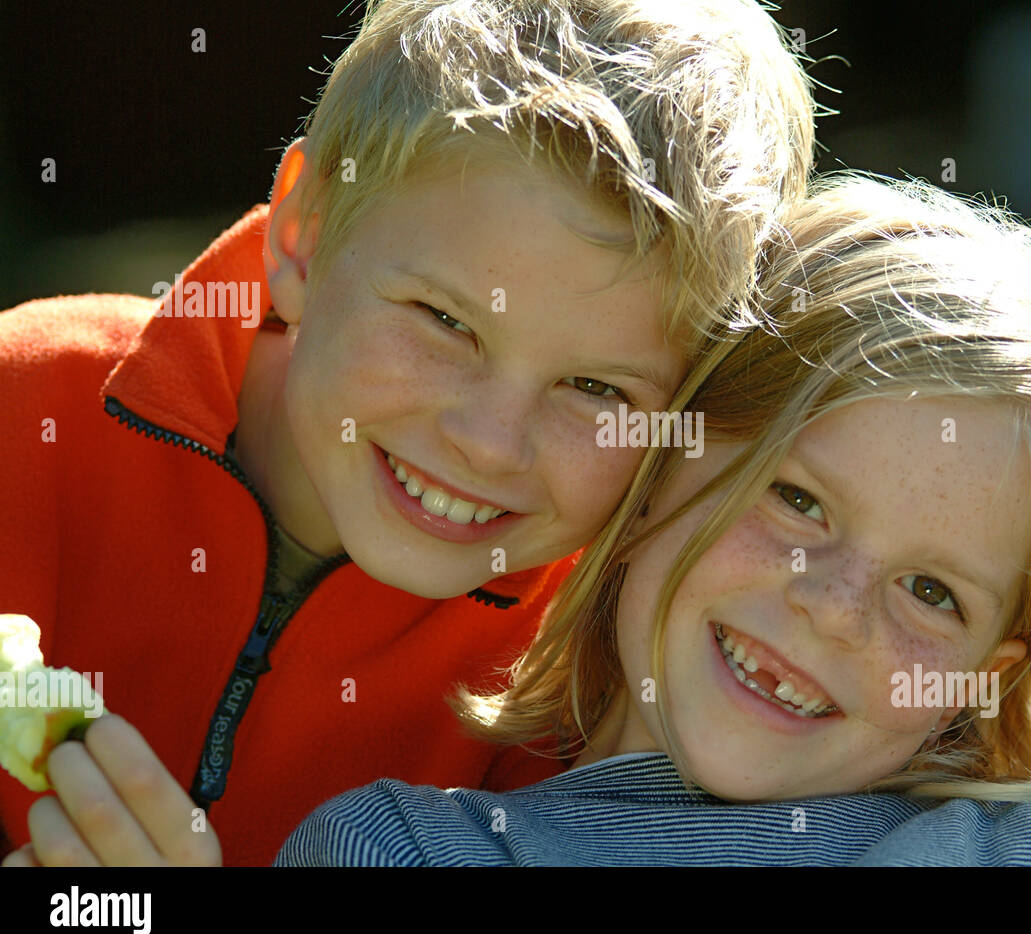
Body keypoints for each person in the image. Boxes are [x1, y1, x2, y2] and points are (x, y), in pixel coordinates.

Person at [0, 0, 815, 865]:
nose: (490, 443)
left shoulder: (593, 677)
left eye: (594, 388)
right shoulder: (27, 408)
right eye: (444, 321)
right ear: (304, 235)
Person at [277, 173, 1031, 865]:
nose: (837, 608)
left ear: (979, 679)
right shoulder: (403, 850)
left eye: (933, 594)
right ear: (652, 474)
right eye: (798, 501)